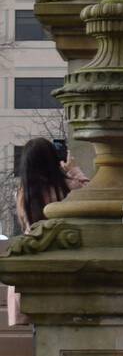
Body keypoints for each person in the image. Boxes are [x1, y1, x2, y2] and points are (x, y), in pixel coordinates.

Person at [6, 138, 89, 327]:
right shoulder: (67, 187)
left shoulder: (22, 194)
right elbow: (96, 197)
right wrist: (73, 170)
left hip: (31, 264)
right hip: (63, 261)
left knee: (40, 335)